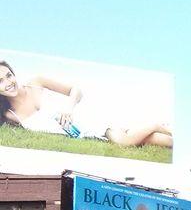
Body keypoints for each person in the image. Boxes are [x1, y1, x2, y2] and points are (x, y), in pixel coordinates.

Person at [0, 59, 173, 147]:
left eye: (8, 75)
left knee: (123, 141)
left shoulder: (36, 82)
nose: (8, 83)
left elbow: (76, 90)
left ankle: (156, 124)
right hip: (84, 134)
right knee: (151, 141)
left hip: (87, 118)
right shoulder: (10, 115)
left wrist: (68, 107)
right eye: (0, 81)